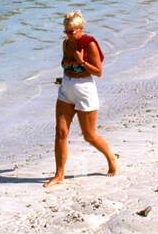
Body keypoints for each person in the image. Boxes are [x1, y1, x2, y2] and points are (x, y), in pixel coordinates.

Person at [44, 10, 117, 187]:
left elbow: (98, 72)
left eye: (72, 31)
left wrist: (82, 62)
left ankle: (111, 158)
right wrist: (67, 63)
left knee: (89, 135)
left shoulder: (89, 44)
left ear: (80, 28)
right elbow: (64, 63)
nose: (69, 35)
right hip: (66, 89)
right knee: (60, 132)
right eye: (66, 31)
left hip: (85, 90)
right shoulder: (66, 43)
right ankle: (59, 175)